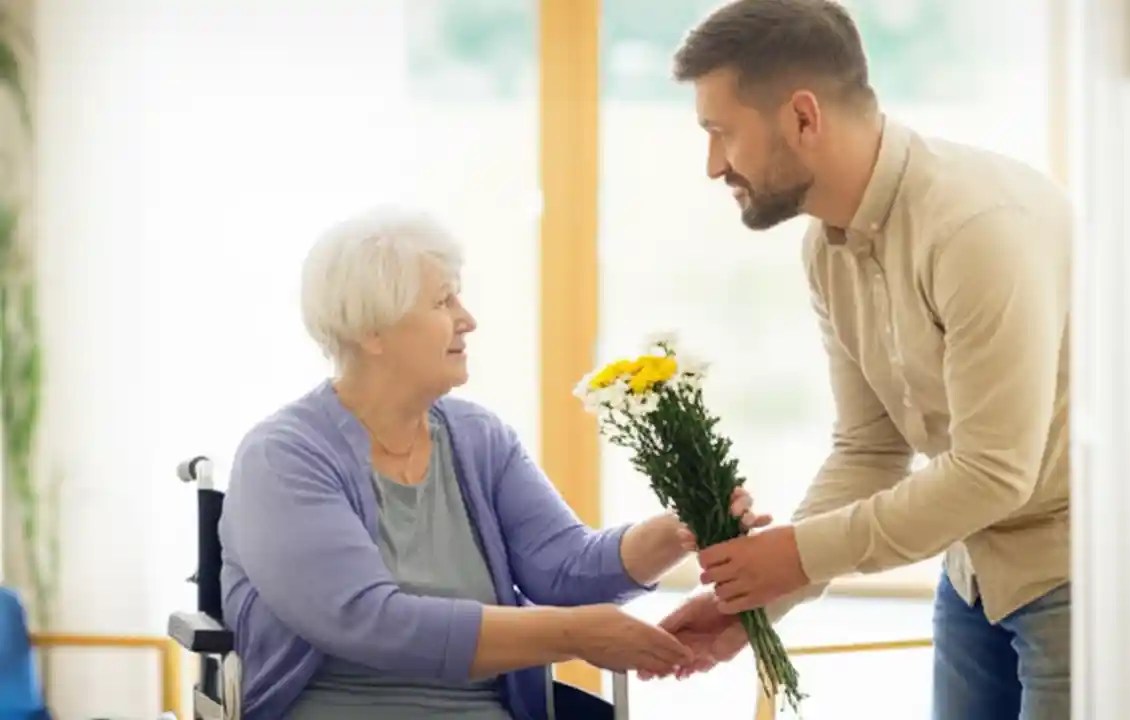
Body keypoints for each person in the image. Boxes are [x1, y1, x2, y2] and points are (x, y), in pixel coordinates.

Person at [653, 2, 1073, 719]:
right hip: (973, 574)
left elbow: (995, 470)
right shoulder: (827, 248)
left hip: (1076, 578)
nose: (713, 165)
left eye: (722, 133)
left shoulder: (975, 227)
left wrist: (796, 554)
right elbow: (870, 447)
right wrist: (756, 605)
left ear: (804, 118)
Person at [217, 207, 767, 720]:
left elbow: (565, 566)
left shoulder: (478, 439)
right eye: (443, 302)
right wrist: (571, 633)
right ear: (372, 330)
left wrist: (675, 532)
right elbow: (369, 620)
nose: (468, 319)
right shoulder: (284, 457)